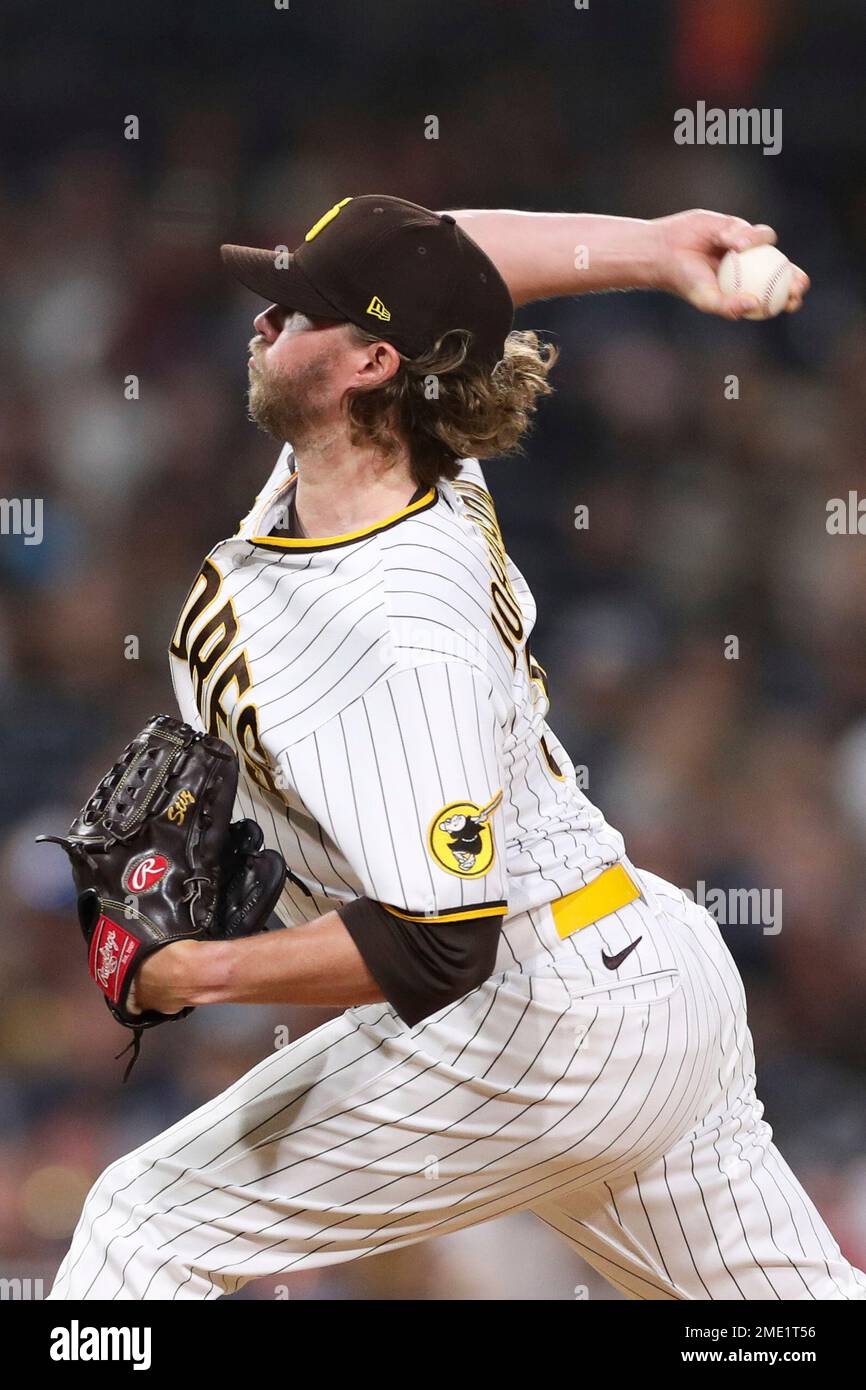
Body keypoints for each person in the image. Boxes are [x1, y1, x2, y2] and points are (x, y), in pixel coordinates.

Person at [48, 196, 864, 1301]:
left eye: (296, 311)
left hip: (527, 1015)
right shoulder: (374, 464)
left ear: (371, 363)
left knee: (140, 1228)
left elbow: (442, 942)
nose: (261, 320)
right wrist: (653, 249)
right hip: (631, 970)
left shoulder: (398, 621)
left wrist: (195, 971)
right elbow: (443, 255)